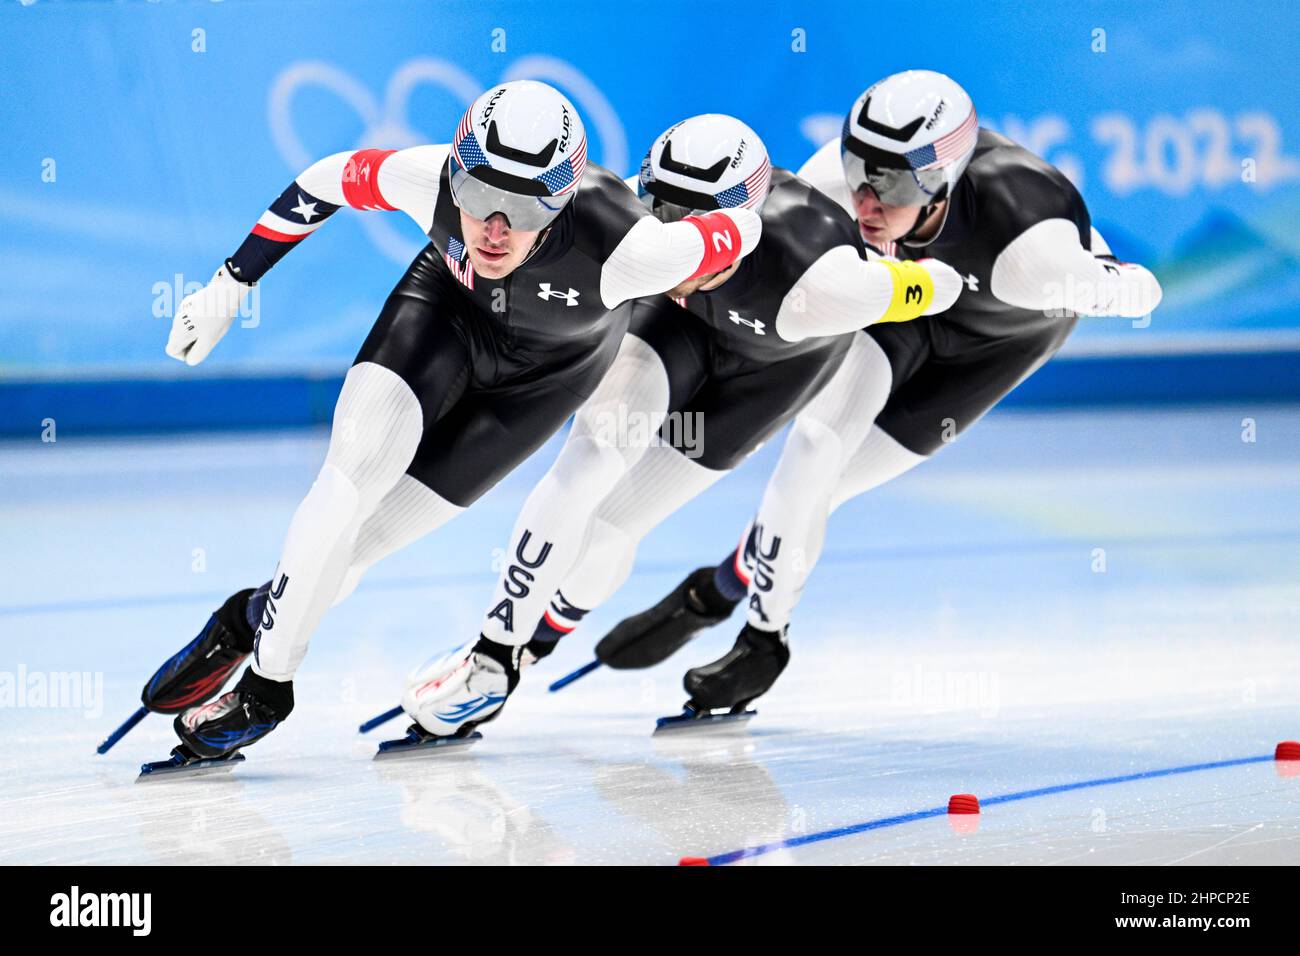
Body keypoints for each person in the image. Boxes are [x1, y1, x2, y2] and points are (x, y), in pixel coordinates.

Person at [140, 80, 764, 763]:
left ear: (560, 201)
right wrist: (230, 285)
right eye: (477, 198)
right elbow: (323, 181)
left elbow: (742, 225)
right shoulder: (427, 176)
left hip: (539, 385)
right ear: (457, 177)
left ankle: (247, 619)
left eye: (522, 207)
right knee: (346, 483)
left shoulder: (633, 248)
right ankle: (267, 688)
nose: (493, 228)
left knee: (354, 552)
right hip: (439, 317)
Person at [540, 70, 1163, 717]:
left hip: (992, 347)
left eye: (890, 182)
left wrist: (1112, 283)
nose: (866, 198)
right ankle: (757, 632)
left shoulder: (1033, 252)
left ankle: (735, 603)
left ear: (944, 178)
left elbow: (1140, 289)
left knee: (826, 492)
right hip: (900, 310)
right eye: (857, 166)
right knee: (814, 448)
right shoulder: (838, 190)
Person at [397, 114, 961, 735]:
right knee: (589, 460)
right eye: (657, 210)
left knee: (614, 526)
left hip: (770, 373)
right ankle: (496, 658)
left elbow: (940, 285)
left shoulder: (828, 284)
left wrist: (935, 274)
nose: (673, 239)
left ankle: (556, 644)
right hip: (681, 328)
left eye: (693, 221)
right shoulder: (656, 257)